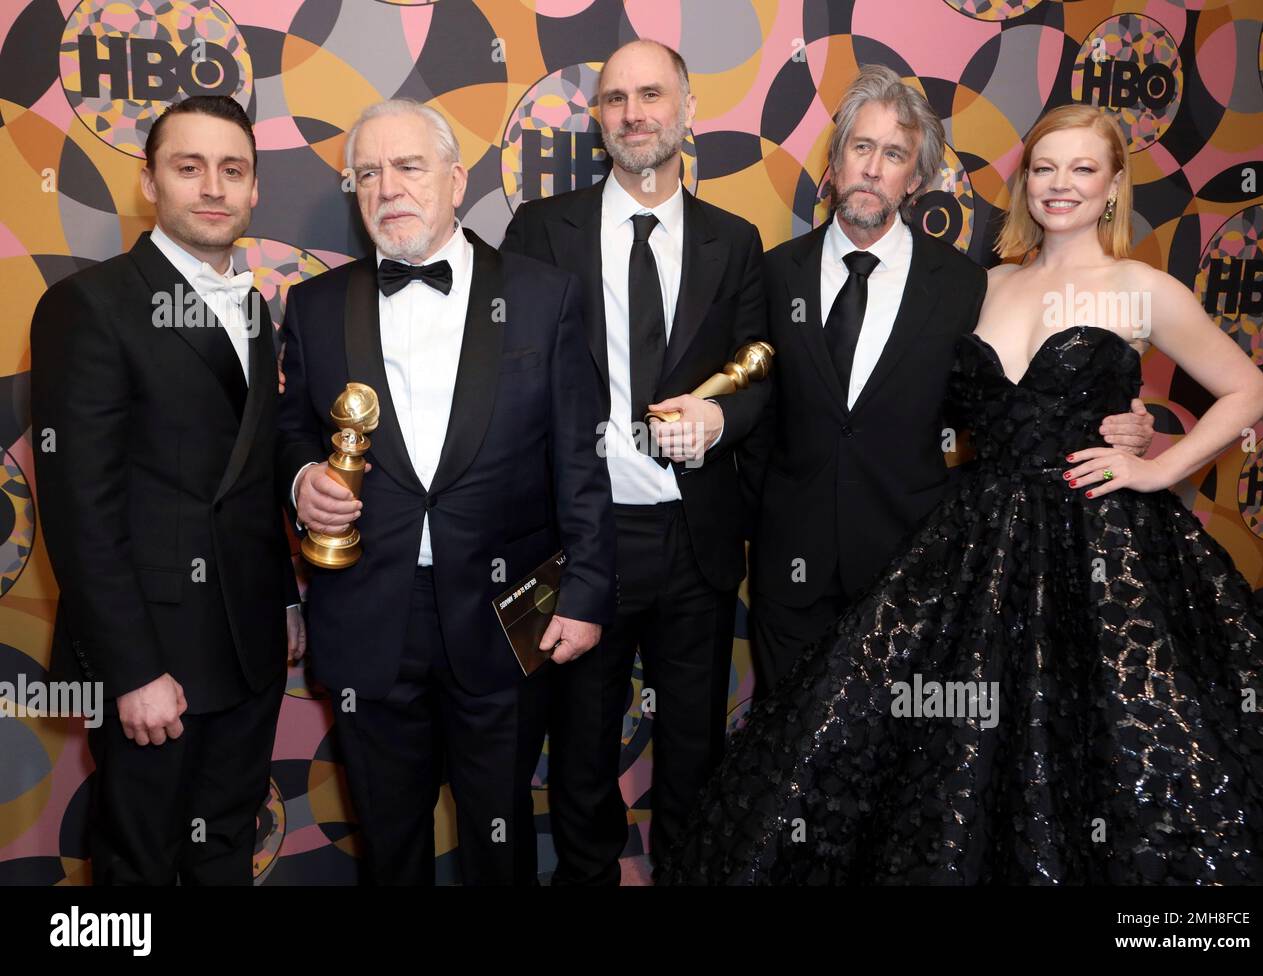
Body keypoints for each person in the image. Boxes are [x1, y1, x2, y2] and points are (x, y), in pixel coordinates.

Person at [660, 103, 1263, 885]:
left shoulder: (1141, 288)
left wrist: (1155, 462)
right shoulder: (983, 284)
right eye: (1044, 168)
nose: (1059, 185)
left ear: (1113, 187)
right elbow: (938, 404)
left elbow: (1247, 392)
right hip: (978, 546)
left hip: (1099, 553)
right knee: (947, 746)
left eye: (1083, 169)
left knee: (1104, 745)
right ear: (1024, 181)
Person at [277, 99, 615, 885]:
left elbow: (581, 458)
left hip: (506, 615)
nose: (387, 187)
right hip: (366, 611)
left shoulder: (544, 295)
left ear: (457, 180)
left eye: (409, 166)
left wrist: (588, 591)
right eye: (368, 173)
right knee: (389, 846)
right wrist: (301, 480)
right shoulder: (317, 305)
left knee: (500, 845)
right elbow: (291, 429)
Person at [740, 66, 1155, 702]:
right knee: (780, 762)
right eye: (861, 147)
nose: (874, 169)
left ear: (918, 179)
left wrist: (1120, 417)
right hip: (789, 579)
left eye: (895, 154)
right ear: (835, 159)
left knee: (890, 776)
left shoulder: (967, 287)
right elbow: (751, 411)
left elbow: (1019, 398)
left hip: (914, 570)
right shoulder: (771, 274)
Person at [501, 39, 769, 884]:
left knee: (694, 739)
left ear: (688, 111)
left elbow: (763, 367)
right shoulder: (543, 230)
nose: (634, 113)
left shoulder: (737, 238)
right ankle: (586, 874)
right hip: (584, 537)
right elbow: (510, 376)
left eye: (652, 95)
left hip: (695, 535)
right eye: (615, 99)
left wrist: (719, 422)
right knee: (581, 743)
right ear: (598, 121)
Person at [30, 95, 302, 885]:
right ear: (149, 181)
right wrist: (132, 671)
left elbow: (245, 479)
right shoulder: (89, 306)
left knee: (224, 851)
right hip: (155, 662)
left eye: (233, 170)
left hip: (247, 647)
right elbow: (82, 509)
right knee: (138, 865)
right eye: (189, 167)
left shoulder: (252, 308)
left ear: (254, 190)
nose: (213, 187)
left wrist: (283, 595)